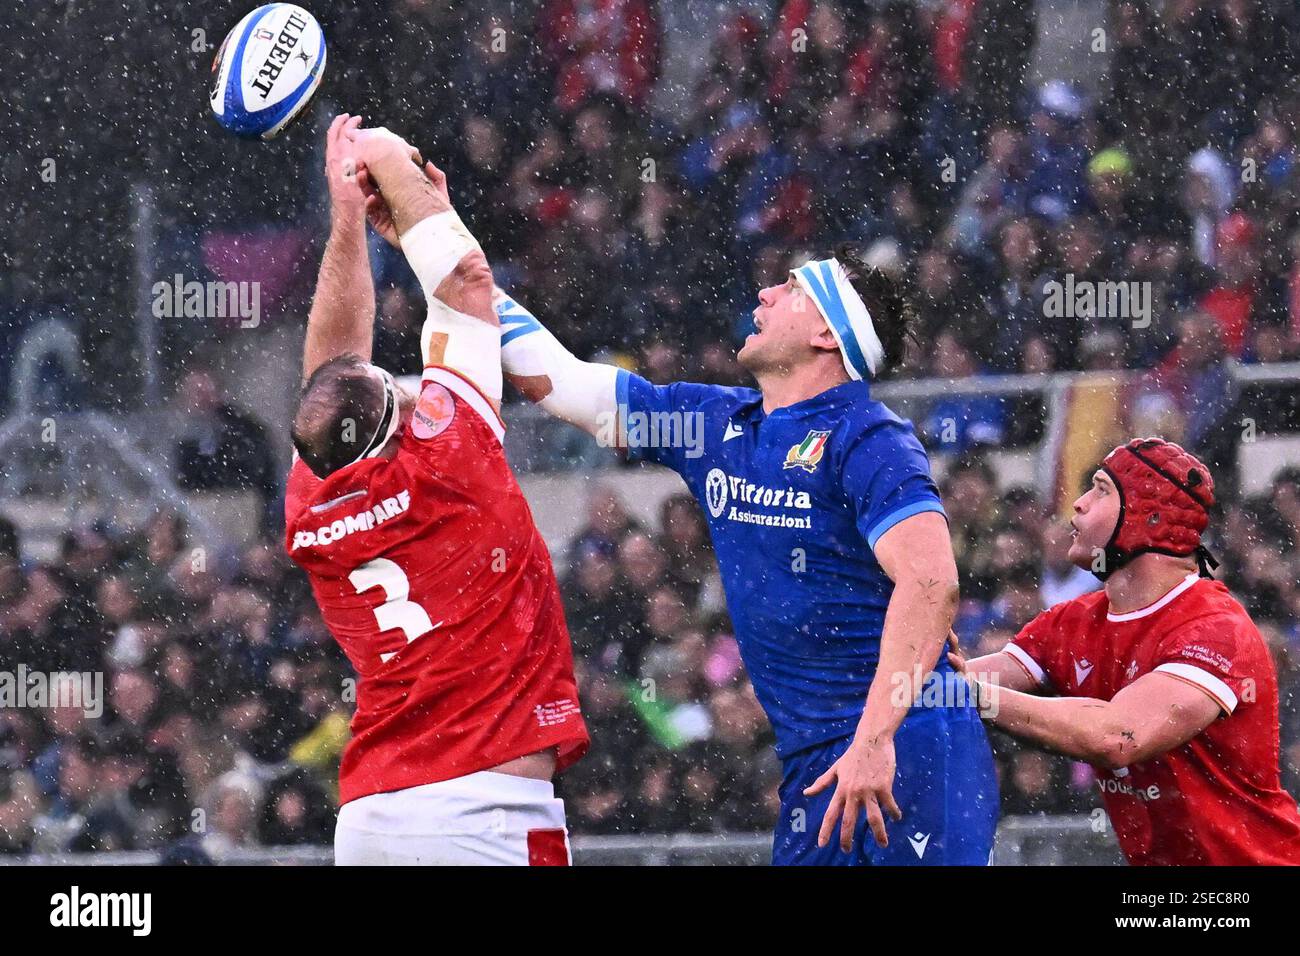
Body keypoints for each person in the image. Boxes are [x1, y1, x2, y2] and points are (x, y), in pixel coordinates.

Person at [493, 239, 998, 864]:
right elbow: (573, 389)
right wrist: (459, 274)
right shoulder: (713, 425)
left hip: (906, 747)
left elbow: (930, 584)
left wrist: (874, 739)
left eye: (791, 287)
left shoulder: (868, 435)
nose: (765, 293)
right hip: (816, 762)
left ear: (826, 331)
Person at [283, 115, 588, 865]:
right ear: (398, 420)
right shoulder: (450, 458)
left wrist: (348, 218)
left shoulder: (310, 505)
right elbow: (465, 285)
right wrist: (392, 168)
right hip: (486, 812)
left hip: (372, 817)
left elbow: (334, 373)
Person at [952, 438, 1300, 865]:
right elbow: (964, 680)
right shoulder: (1071, 621)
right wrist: (911, 675)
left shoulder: (1215, 629)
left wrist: (968, 694)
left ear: (1149, 515)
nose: (1077, 505)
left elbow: (1119, 736)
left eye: (1100, 489)